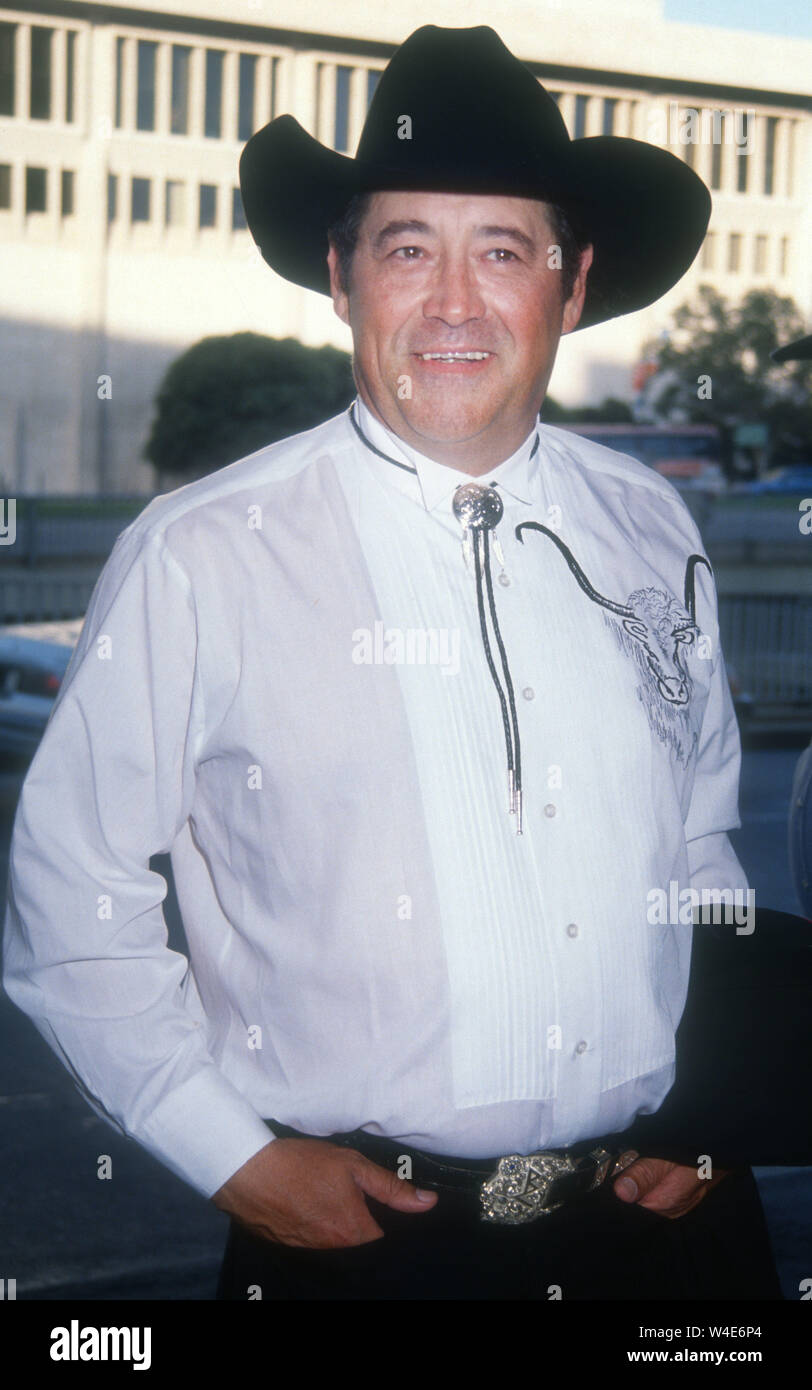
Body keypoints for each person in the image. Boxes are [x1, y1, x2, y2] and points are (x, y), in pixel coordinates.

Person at [2, 24, 781, 1301]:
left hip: (671, 1241)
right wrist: (231, 1158)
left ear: (569, 286)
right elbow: (68, 894)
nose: (455, 303)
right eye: (408, 247)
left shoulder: (650, 524)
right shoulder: (204, 553)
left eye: (502, 250)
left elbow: (697, 851)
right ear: (341, 277)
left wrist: (719, 1101)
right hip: (361, 1251)